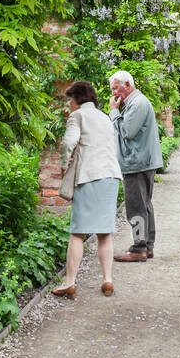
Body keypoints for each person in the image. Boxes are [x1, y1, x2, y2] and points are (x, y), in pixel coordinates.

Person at [52, 80, 122, 299]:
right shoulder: (105, 117)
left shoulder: (78, 116)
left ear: (77, 100)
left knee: (77, 233)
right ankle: (107, 281)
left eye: (70, 101)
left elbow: (67, 143)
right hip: (110, 176)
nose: (69, 106)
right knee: (104, 232)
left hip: (89, 177)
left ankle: (70, 282)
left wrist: (64, 163)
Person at [109, 70, 163, 263]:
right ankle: (147, 246)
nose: (114, 94)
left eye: (116, 88)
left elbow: (127, 132)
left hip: (137, 163)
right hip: (141, 161)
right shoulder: (135, 102)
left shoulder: (137, 103)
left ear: (127, 85)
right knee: (144, 205)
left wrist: (114, 112)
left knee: (136, 207)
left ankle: (139, 248)